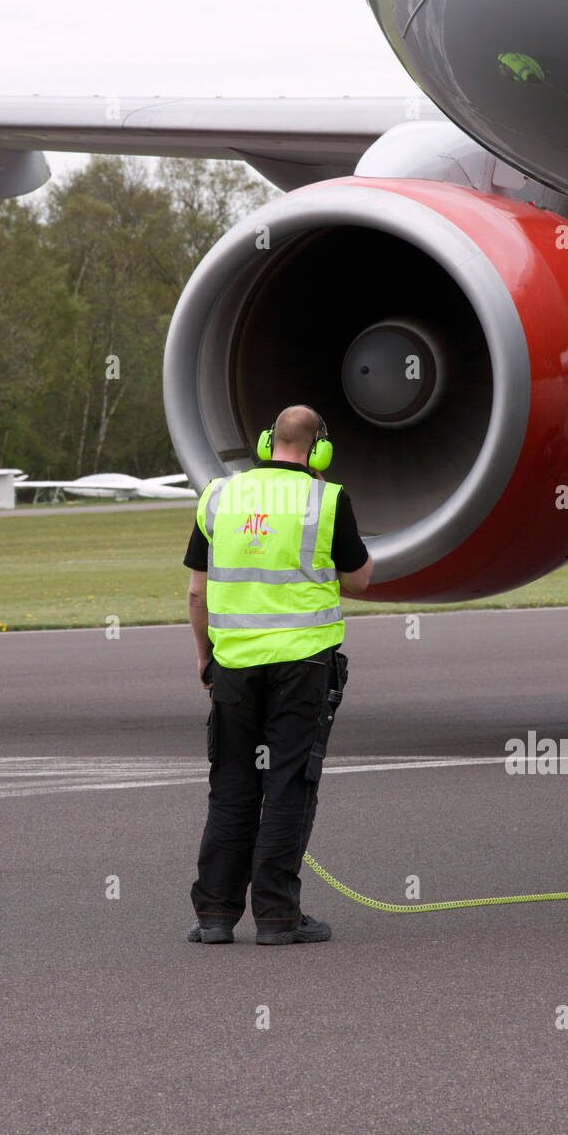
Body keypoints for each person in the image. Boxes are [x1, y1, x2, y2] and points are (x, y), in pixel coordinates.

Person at [183, 403, 372, 945]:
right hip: (304, 665)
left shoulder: (219, 495)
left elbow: (197, 593)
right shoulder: (327, 499)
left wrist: (205, 658)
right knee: (289, 784)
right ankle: (276, 917)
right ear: (318, 451)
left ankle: (215, 916)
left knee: (232, 787)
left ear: (268, 443)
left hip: (235, 668)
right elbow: (359, 580)